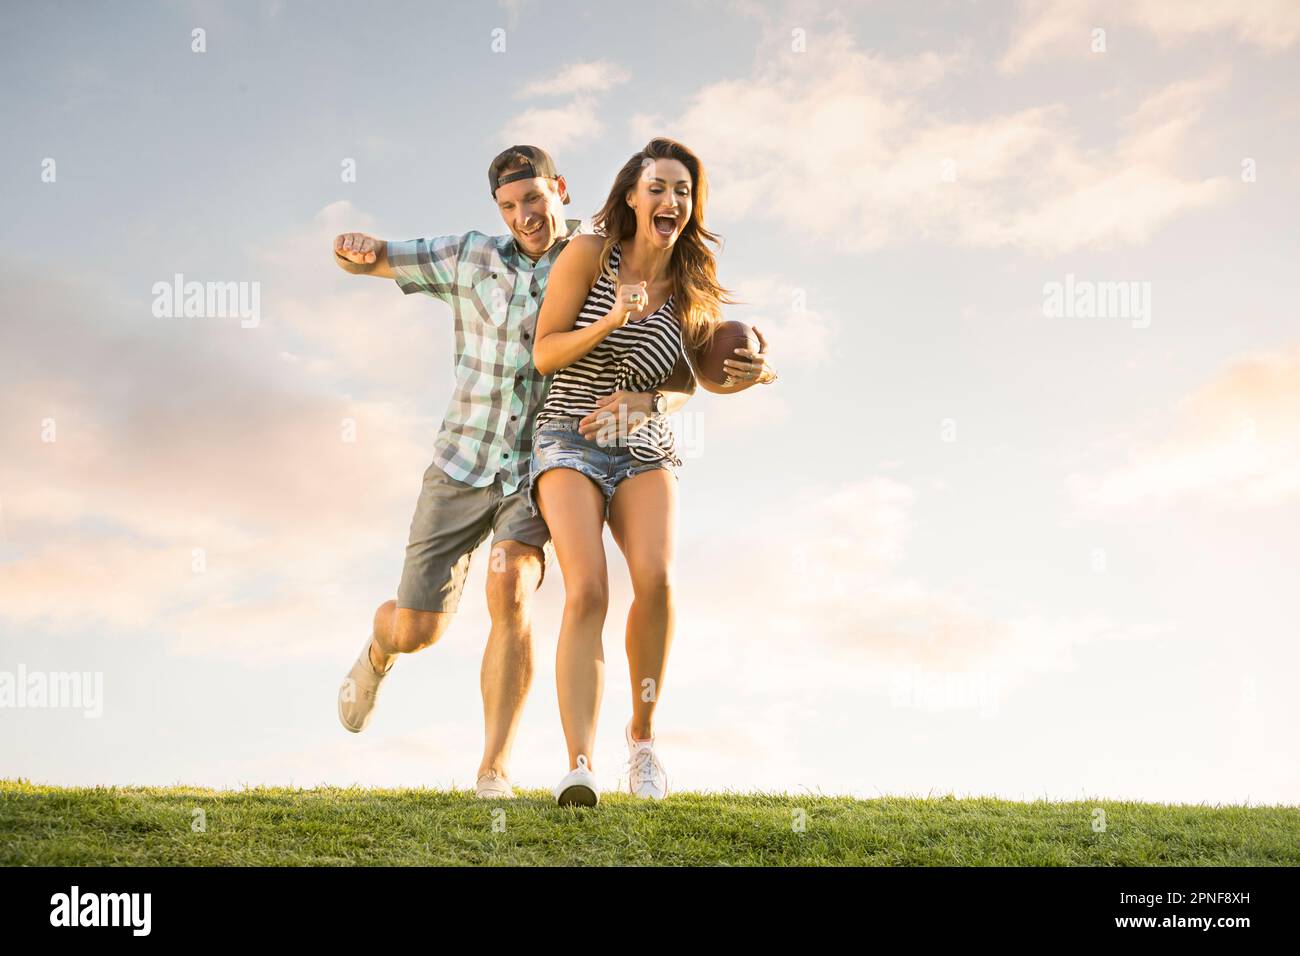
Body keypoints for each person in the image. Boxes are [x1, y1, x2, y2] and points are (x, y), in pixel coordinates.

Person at [330, 146, 705, 799]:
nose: (524, 215)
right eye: (509, 206)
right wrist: (355, 248)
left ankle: (493, 771)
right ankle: (380, 648)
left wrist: (662, 393)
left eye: (533, 198)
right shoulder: (470, 256)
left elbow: (672, 347)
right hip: (462, 461)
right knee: (419, 628)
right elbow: (375, 257)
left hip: (540, 454)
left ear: (559, 189)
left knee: (510, 588)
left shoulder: (591, 255)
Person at [526, 137, 778, 805]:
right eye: (658, 187)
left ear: (692, 206)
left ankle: (641, 746)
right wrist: (613, 316)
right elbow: (545, 354)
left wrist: (745, 373)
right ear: (633, 196)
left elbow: (698, 376)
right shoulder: (589, 254)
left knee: (658, 582)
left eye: (683, 191)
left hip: (643, 441)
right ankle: (578, 766)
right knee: (588, 591)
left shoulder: (692, 277)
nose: (670, 199)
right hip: (570, 433)